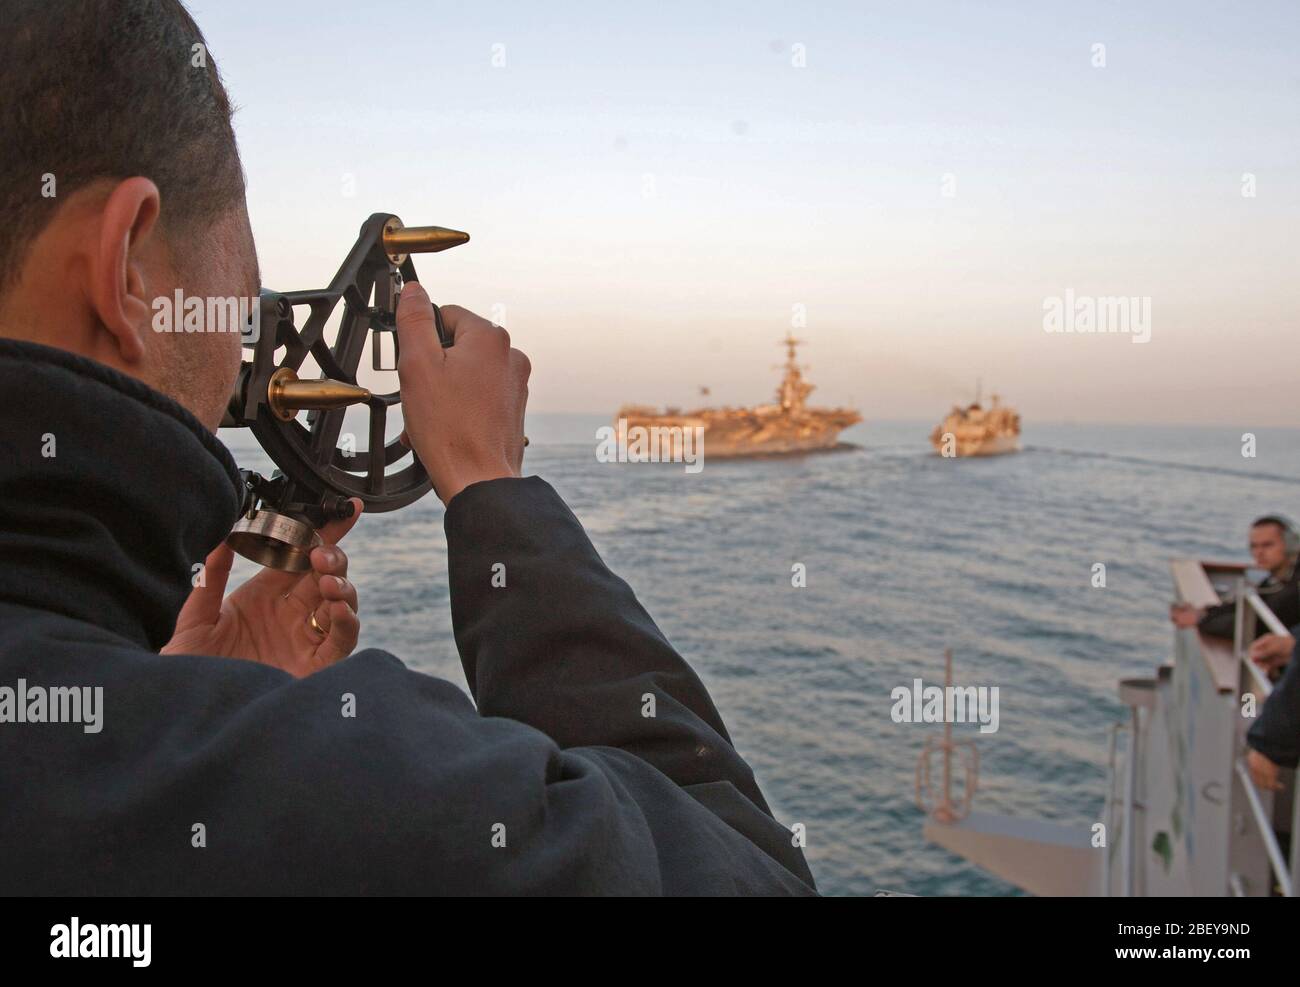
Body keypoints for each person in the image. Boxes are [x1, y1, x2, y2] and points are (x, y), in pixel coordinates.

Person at [0, 1, 815, 895]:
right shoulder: (339, 799)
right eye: (244, 286)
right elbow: (746, 871)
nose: (255, 333)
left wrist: (167, 694)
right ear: (126, 271)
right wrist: (489, 485)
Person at [1170, 515, 1300, 645]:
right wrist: (1207, 611)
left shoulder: (1294, 589)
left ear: (1291, 545)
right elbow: (1244, 605)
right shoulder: (1280, 577)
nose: (1259, 553)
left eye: (1267, 545)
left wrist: (1199, 620)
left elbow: (1252, 627)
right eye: (1254, 546)